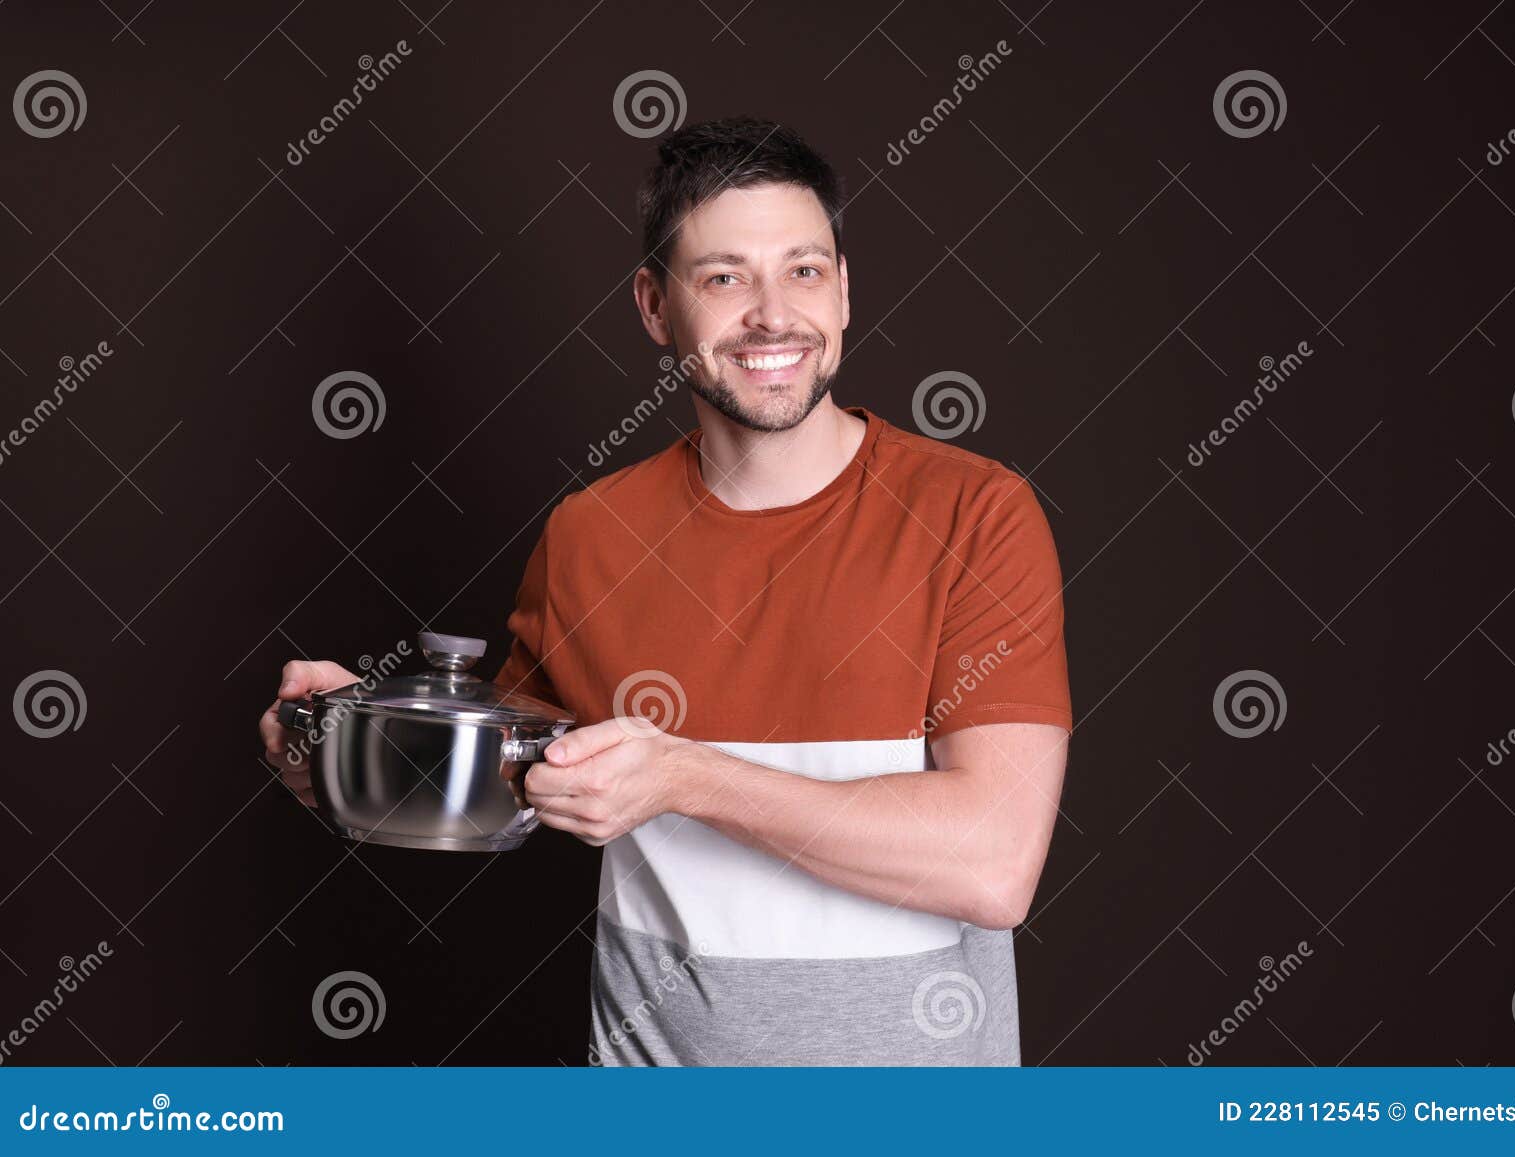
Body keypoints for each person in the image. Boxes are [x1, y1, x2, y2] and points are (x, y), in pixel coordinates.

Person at [260, 116, 1072, 1065]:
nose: (773, 315)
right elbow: (501, 786)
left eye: (805, 270)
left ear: (846, 290)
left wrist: (688, 776)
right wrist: (352, 743)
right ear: (654, 306)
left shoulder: (976, 514)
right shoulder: (591, 534)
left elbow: (993, 863)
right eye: (725, 278)